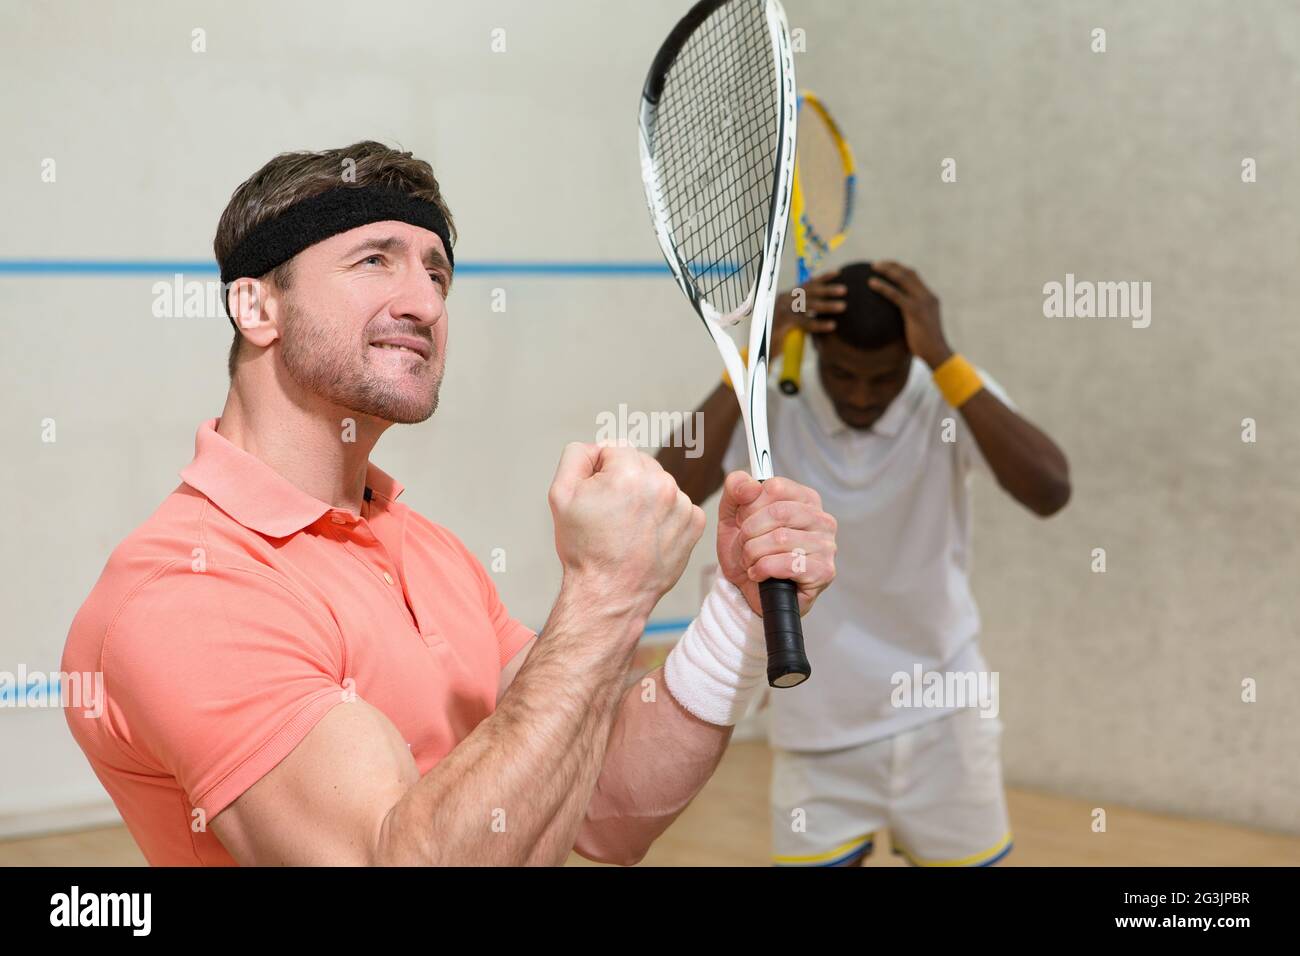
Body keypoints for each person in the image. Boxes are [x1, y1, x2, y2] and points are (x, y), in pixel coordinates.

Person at [61, 141, 837, 866]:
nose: (426, 305)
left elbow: (602, 804)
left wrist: (735, 616)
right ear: (256, 307)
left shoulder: (426, 550)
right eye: (375, 261)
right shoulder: (187, 589)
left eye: (437, 274)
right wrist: (607, 594)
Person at [658, 260, 1071, 866]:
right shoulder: (773, 402)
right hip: (816, 727)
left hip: (945, 721)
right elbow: (670, 489)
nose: (860, 395)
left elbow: (1050, 489)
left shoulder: (945, 395)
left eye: (883, 378)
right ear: (816, 348)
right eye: (844, 373)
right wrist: (753, 355)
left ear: (914, 354)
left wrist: (945, 359)